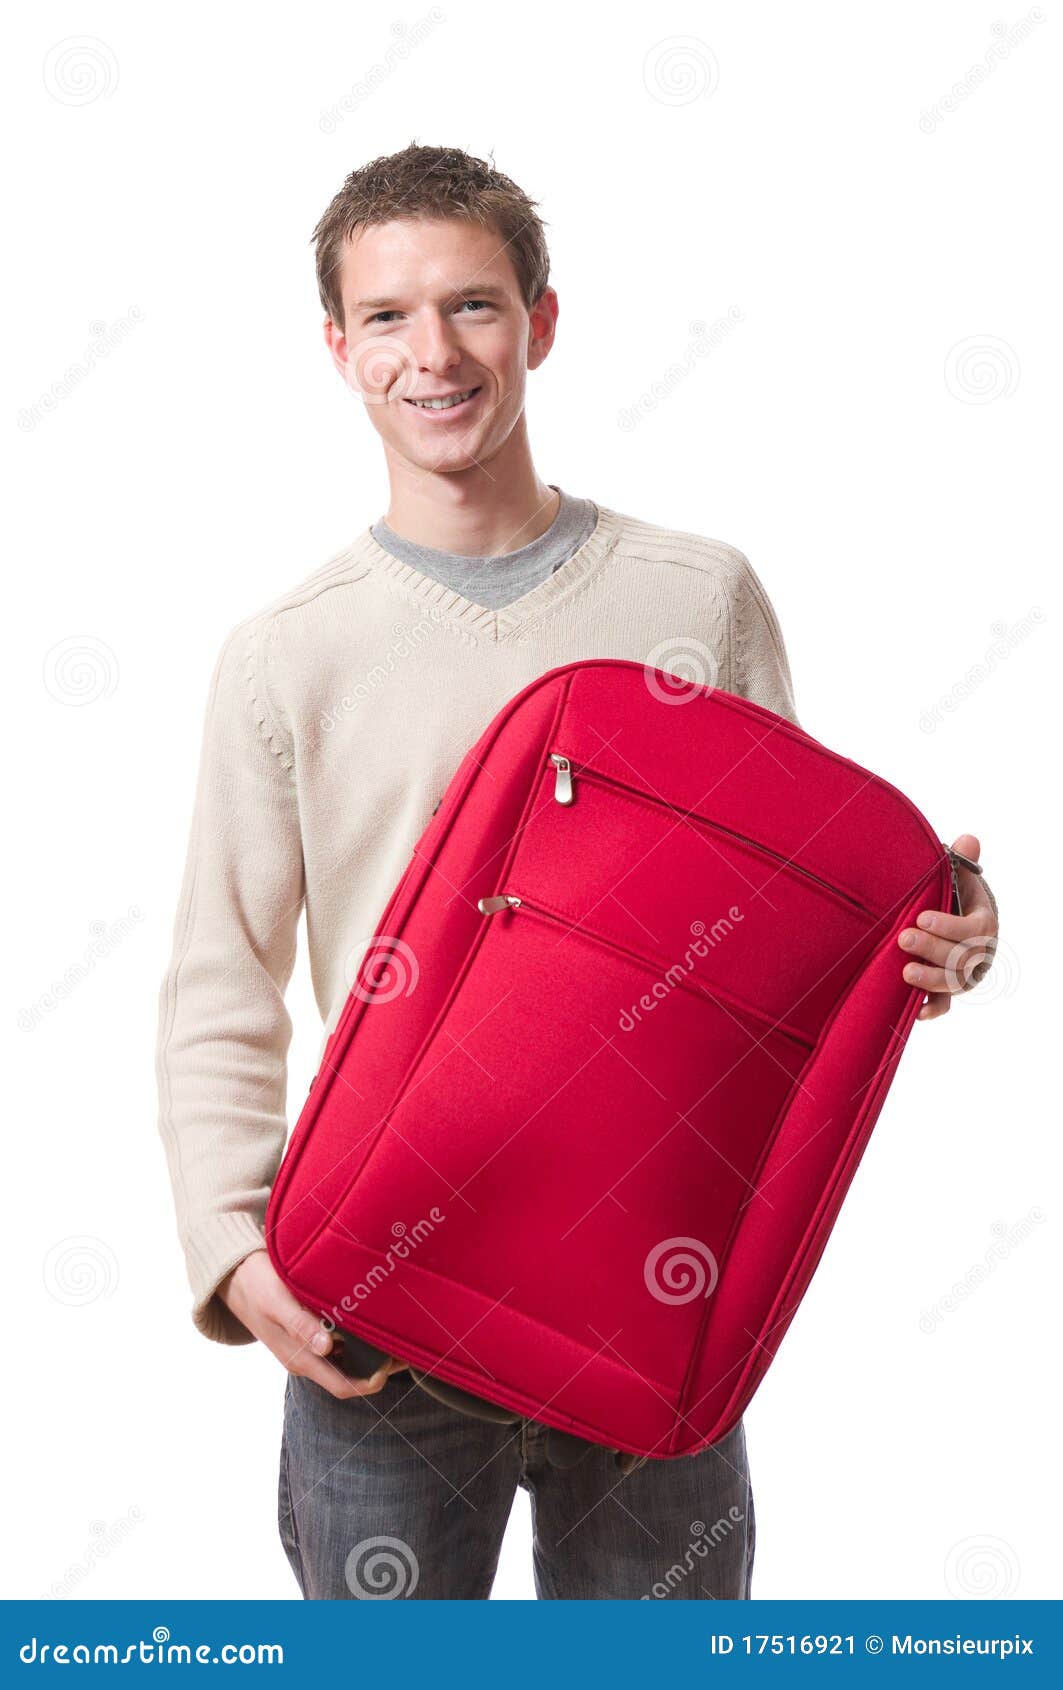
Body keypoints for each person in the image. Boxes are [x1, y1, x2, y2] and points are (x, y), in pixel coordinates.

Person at [155, 143, 1000, 1601]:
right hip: (382, 1306)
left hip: (649, 1275)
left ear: (541, 324)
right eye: (388, 316)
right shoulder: (288, 654)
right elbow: (219, 980)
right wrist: (234, 1250)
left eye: (474, 306)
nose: (434, 354)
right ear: (339, 349)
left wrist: (937, 939)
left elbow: (788, 927)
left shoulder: (695, 595)